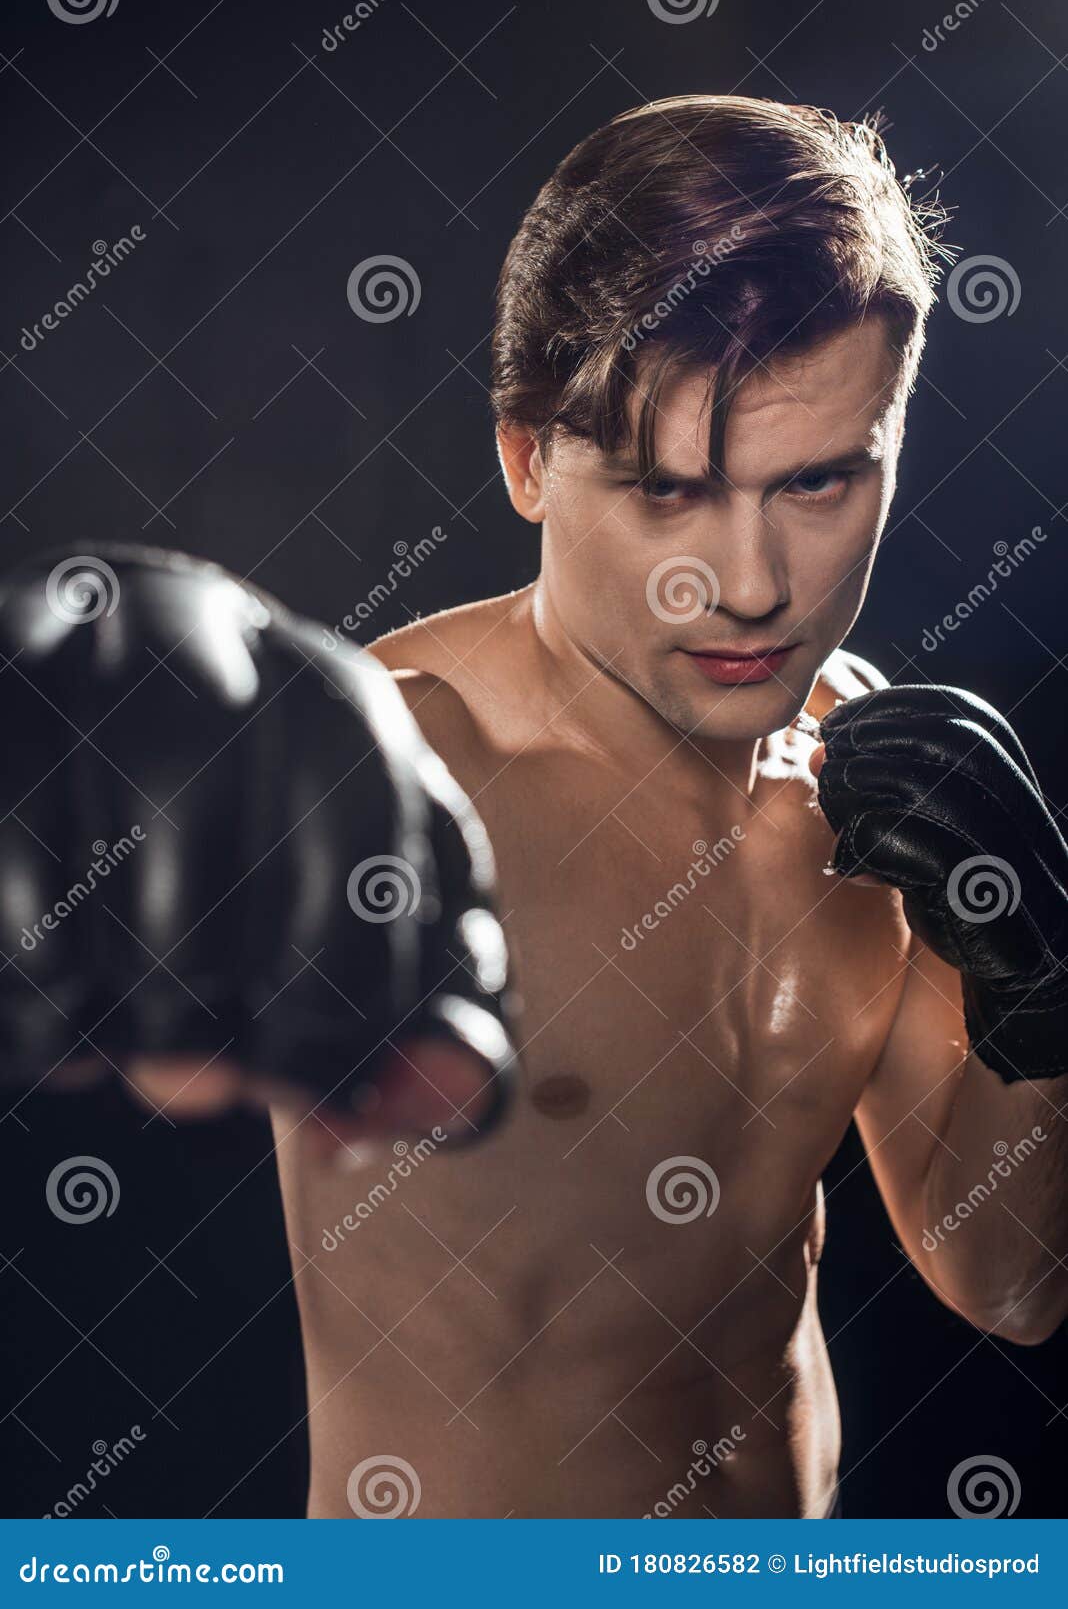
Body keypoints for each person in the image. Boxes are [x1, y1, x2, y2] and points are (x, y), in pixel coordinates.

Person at [5, 96, 1067, 1523]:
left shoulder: (888, 775)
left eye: (819, 480)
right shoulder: (398, 771)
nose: (751, 586)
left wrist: (1043, 994)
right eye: (669, 492)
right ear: (526, 458)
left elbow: (1012, 1283)